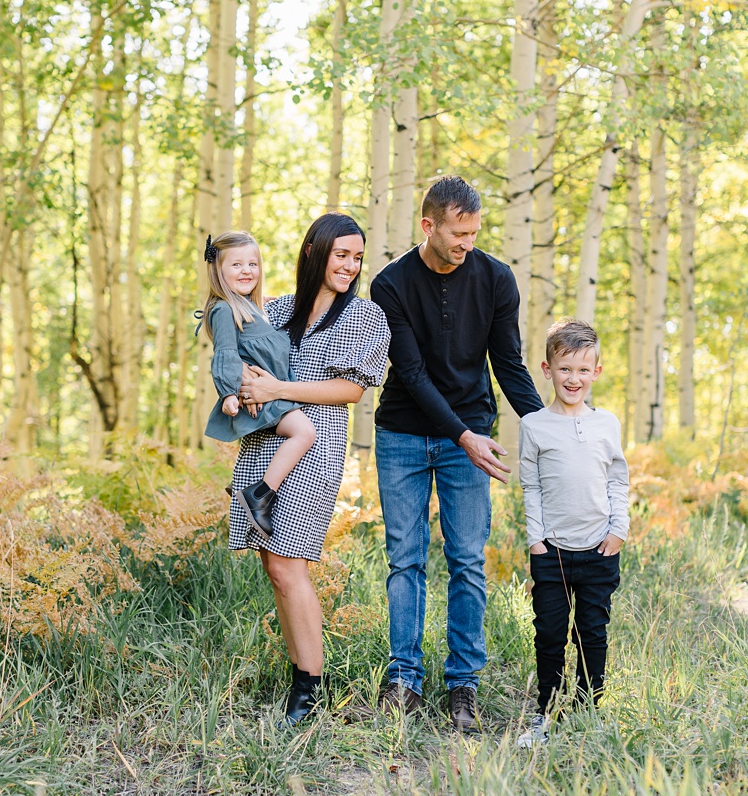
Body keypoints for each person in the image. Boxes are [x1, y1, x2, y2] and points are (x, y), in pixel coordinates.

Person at [370, 176, 545, 731]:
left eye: (474, 232)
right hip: (402, 433)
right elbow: (413, 374)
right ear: (429, 226)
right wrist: (463, 436)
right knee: (406, 559)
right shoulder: (390, 284)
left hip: (471, 431)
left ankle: (462, 687)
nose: (467, 242)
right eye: (458, 233)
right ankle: (404, 680)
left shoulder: (496, 279)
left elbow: (509, 365)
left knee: (468, 560)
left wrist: (549, 431)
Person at [233, 213, 391, 726]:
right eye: (341, 254)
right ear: (313, 253)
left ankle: (309, 691)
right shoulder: (274, 310)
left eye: (357, 257)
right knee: (272, 566)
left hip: (316, 449)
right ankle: (300, 673)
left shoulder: (365, 318)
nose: (350, 265)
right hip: (264, 446)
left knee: (288, 565)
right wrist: (247, 386)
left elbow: (350, 390)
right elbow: (241, 360)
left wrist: (279, 389)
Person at [516, 319, 628, 748]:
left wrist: (619, 529)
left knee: (592, 633)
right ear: (547, 370)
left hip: (600, 549)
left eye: (583, 370)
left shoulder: (607, 424)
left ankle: (586, 714)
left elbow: (618, 480)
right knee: (549, 633)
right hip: (553, 551)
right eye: (565, 369)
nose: (573, 379)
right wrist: (536, 540)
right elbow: (532, 486)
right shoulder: (535, 426)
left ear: (596, 372)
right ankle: (545, 714)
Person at [201, 230, 320, 540]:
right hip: (262, 396)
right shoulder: (224, 309)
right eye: (236, 265)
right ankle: (260, 496)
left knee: (299, 434)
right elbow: (225, 352)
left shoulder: (248, 307)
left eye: (252, 264)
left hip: (271, 391)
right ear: (218, 271)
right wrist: (228, 392)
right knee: (305, 432)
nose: (246, 271)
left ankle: (254, 489)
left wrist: (263, 302)